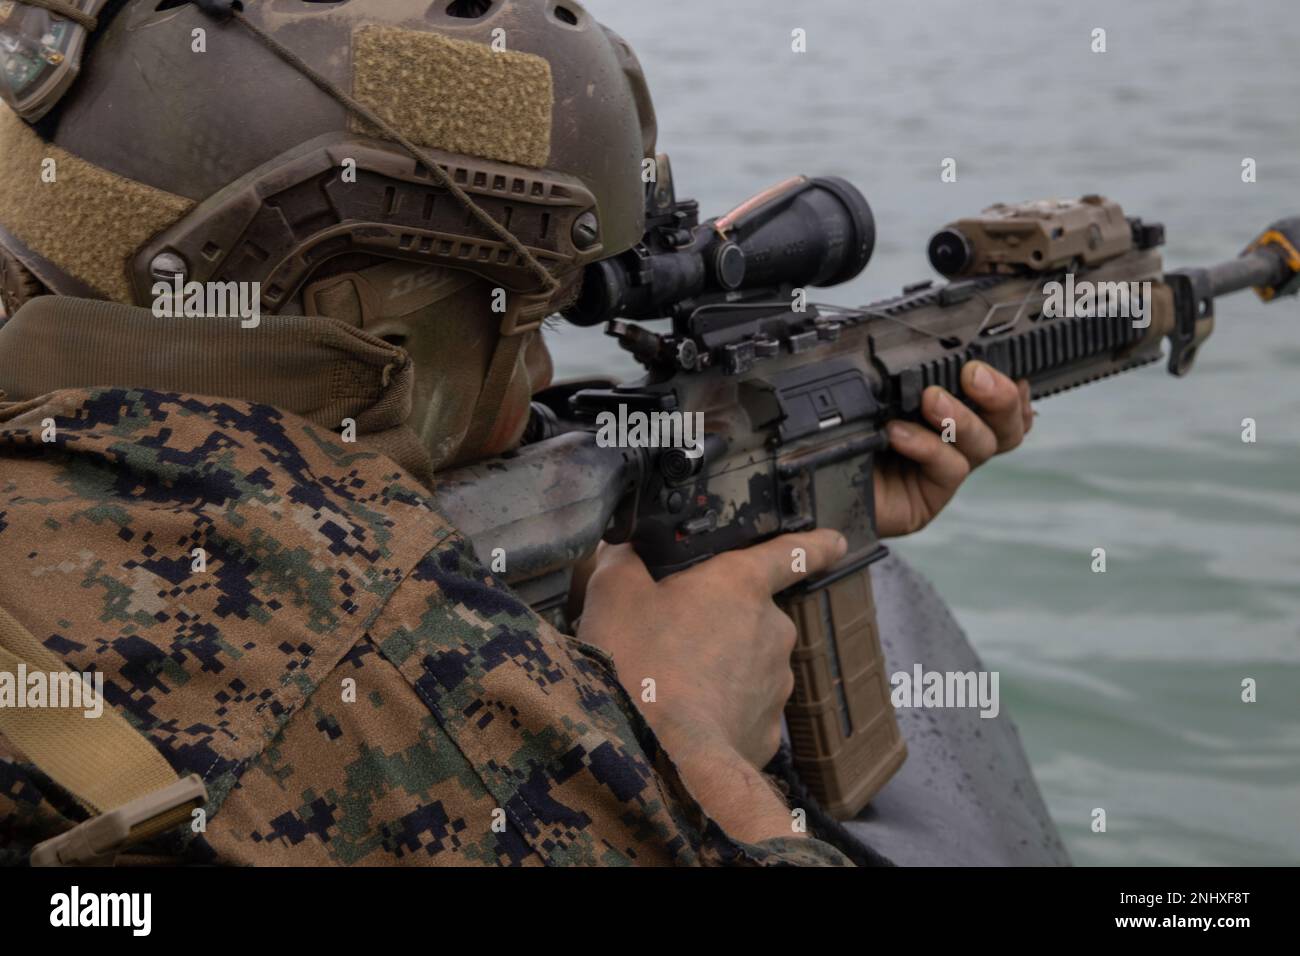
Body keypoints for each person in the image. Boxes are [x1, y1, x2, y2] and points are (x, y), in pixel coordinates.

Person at [0, 0, 1030, 866]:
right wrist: (687, 735)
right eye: (526, 331)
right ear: (382, 339)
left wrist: (807, 496)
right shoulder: (408, 672)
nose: (541, 377)